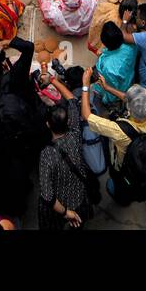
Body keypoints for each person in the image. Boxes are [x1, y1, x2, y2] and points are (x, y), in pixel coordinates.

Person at [82, 83, 146, 205]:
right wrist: (107, 87)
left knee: (122, 186)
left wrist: (85, 85)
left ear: (129, 109)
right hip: (144, 157)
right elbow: (133, 101)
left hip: (123, 168)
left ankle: (122, 200)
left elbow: (86, 115)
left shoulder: (120, 131)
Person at [38, 84, 94, 229]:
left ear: (47, 125)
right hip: (79, 196)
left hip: (60, 205)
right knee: (79, 223)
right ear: (68, 121)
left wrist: (65, 213)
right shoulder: (75, 132)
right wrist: (53, 80)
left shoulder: (46, 155)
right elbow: (72, 99)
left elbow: (47, 196)